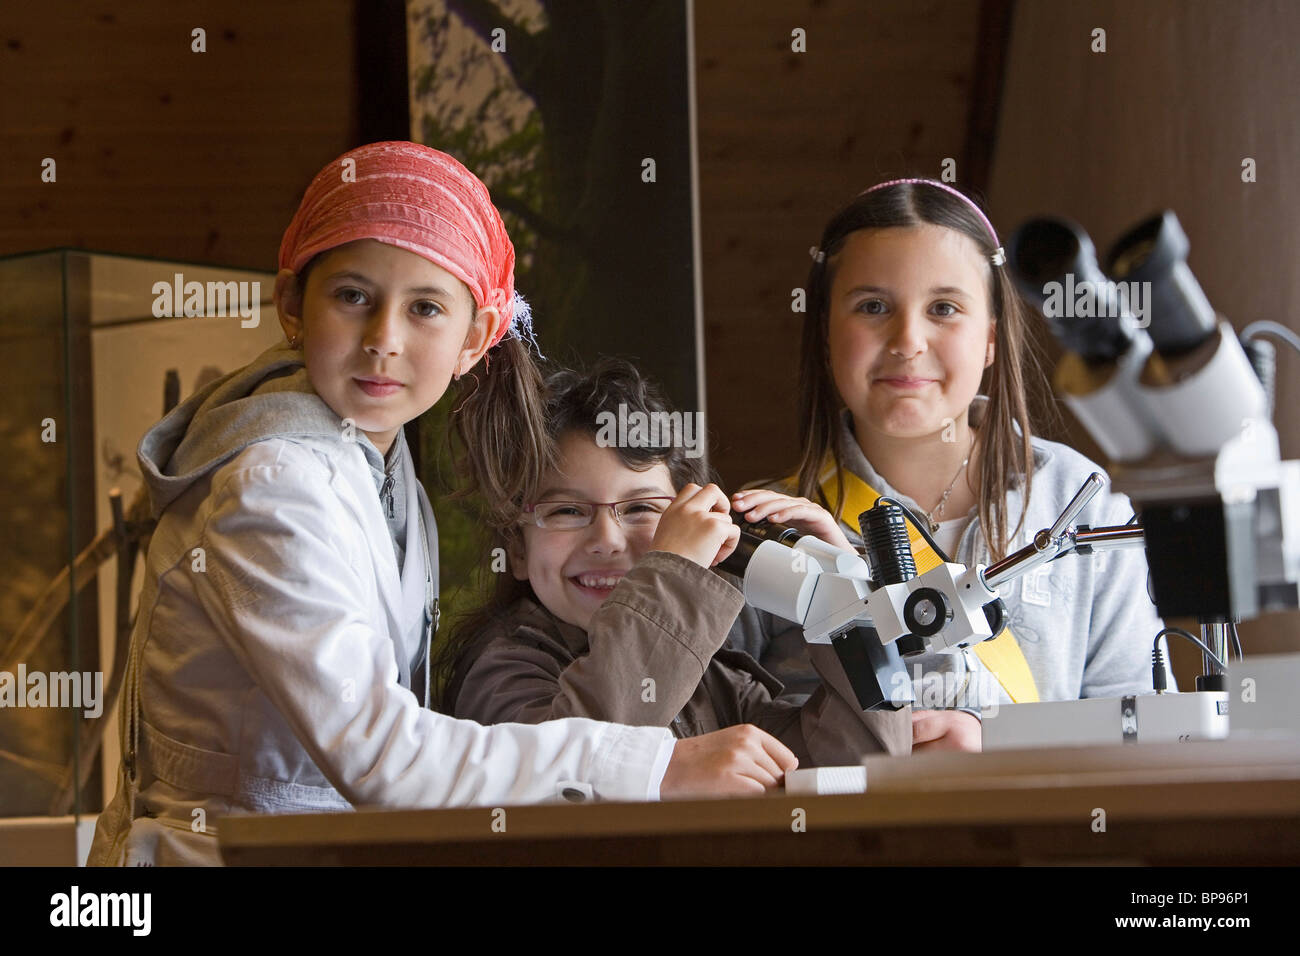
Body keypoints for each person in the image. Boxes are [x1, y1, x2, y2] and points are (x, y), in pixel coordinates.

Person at [88, 142, 793, 867]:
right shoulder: (272, 485)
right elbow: (381, 756)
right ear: (293, 307)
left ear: (475, 336)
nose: (383, 340)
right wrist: (656, 768)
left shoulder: (381, 469)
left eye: (425, 307)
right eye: (352, 296)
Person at [728, 178, 1171, 753]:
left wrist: (997, 741)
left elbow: (1142, 727)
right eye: (873, 306)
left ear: (990, 338)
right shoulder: (759, 529)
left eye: (944, 308)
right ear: (826, 333)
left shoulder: (1081, 500)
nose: (908, 340)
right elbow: (721, 730)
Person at [436, 359, 911, 764]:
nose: (606, 540)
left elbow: (857, 766)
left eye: (642, 509)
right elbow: (572, 768)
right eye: (566, 511)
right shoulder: (505, 668)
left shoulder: (713, 678)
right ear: (517, 550)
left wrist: (846, 597)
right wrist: (671, 569)